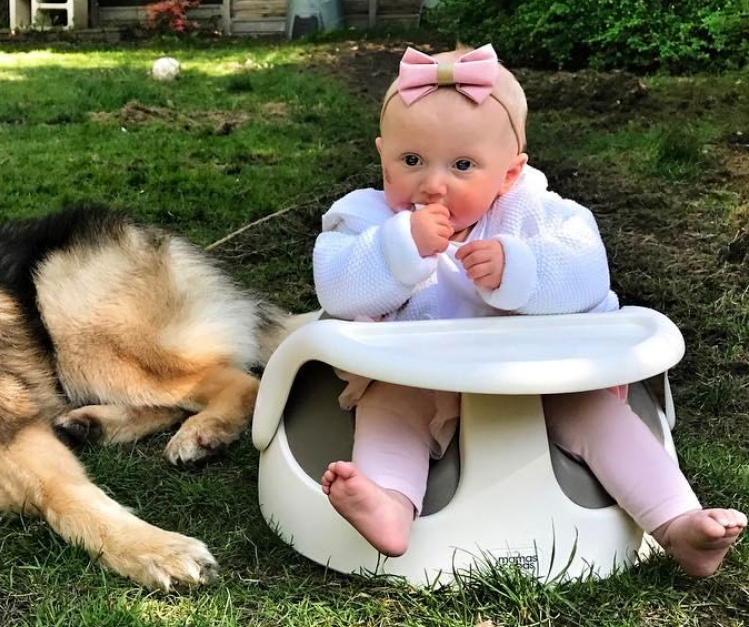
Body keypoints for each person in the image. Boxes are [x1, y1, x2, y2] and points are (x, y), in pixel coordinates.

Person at [311, 45, 745, 577]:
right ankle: (389, 506)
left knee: (600, 416)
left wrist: (521, 271)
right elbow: (337, 289)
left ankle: (679, 523)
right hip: (415, 377)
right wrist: (396, 250)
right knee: (390, 413)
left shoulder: (535, 214)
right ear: (383, 155)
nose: (433, 183)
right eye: (411, 161)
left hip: (540, 381)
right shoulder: (367, 217)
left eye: (463, 165)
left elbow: (587, 273)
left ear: (511, 172)